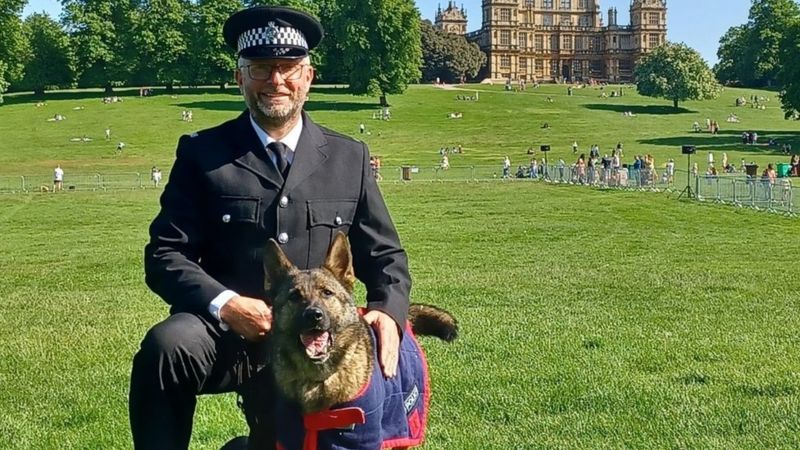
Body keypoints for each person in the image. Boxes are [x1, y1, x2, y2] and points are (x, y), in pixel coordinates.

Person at [129, 7, 411, 449]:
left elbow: (386, 257)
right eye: (261, 68)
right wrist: (225, 305)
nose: (276, 81)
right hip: (230, 336)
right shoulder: (203, 153)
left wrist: (389, 312)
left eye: (288, 68)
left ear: (309, 76)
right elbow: (165, 254)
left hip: (317, 341)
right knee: (167, 347)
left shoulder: (348, 158)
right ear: (241, 77)